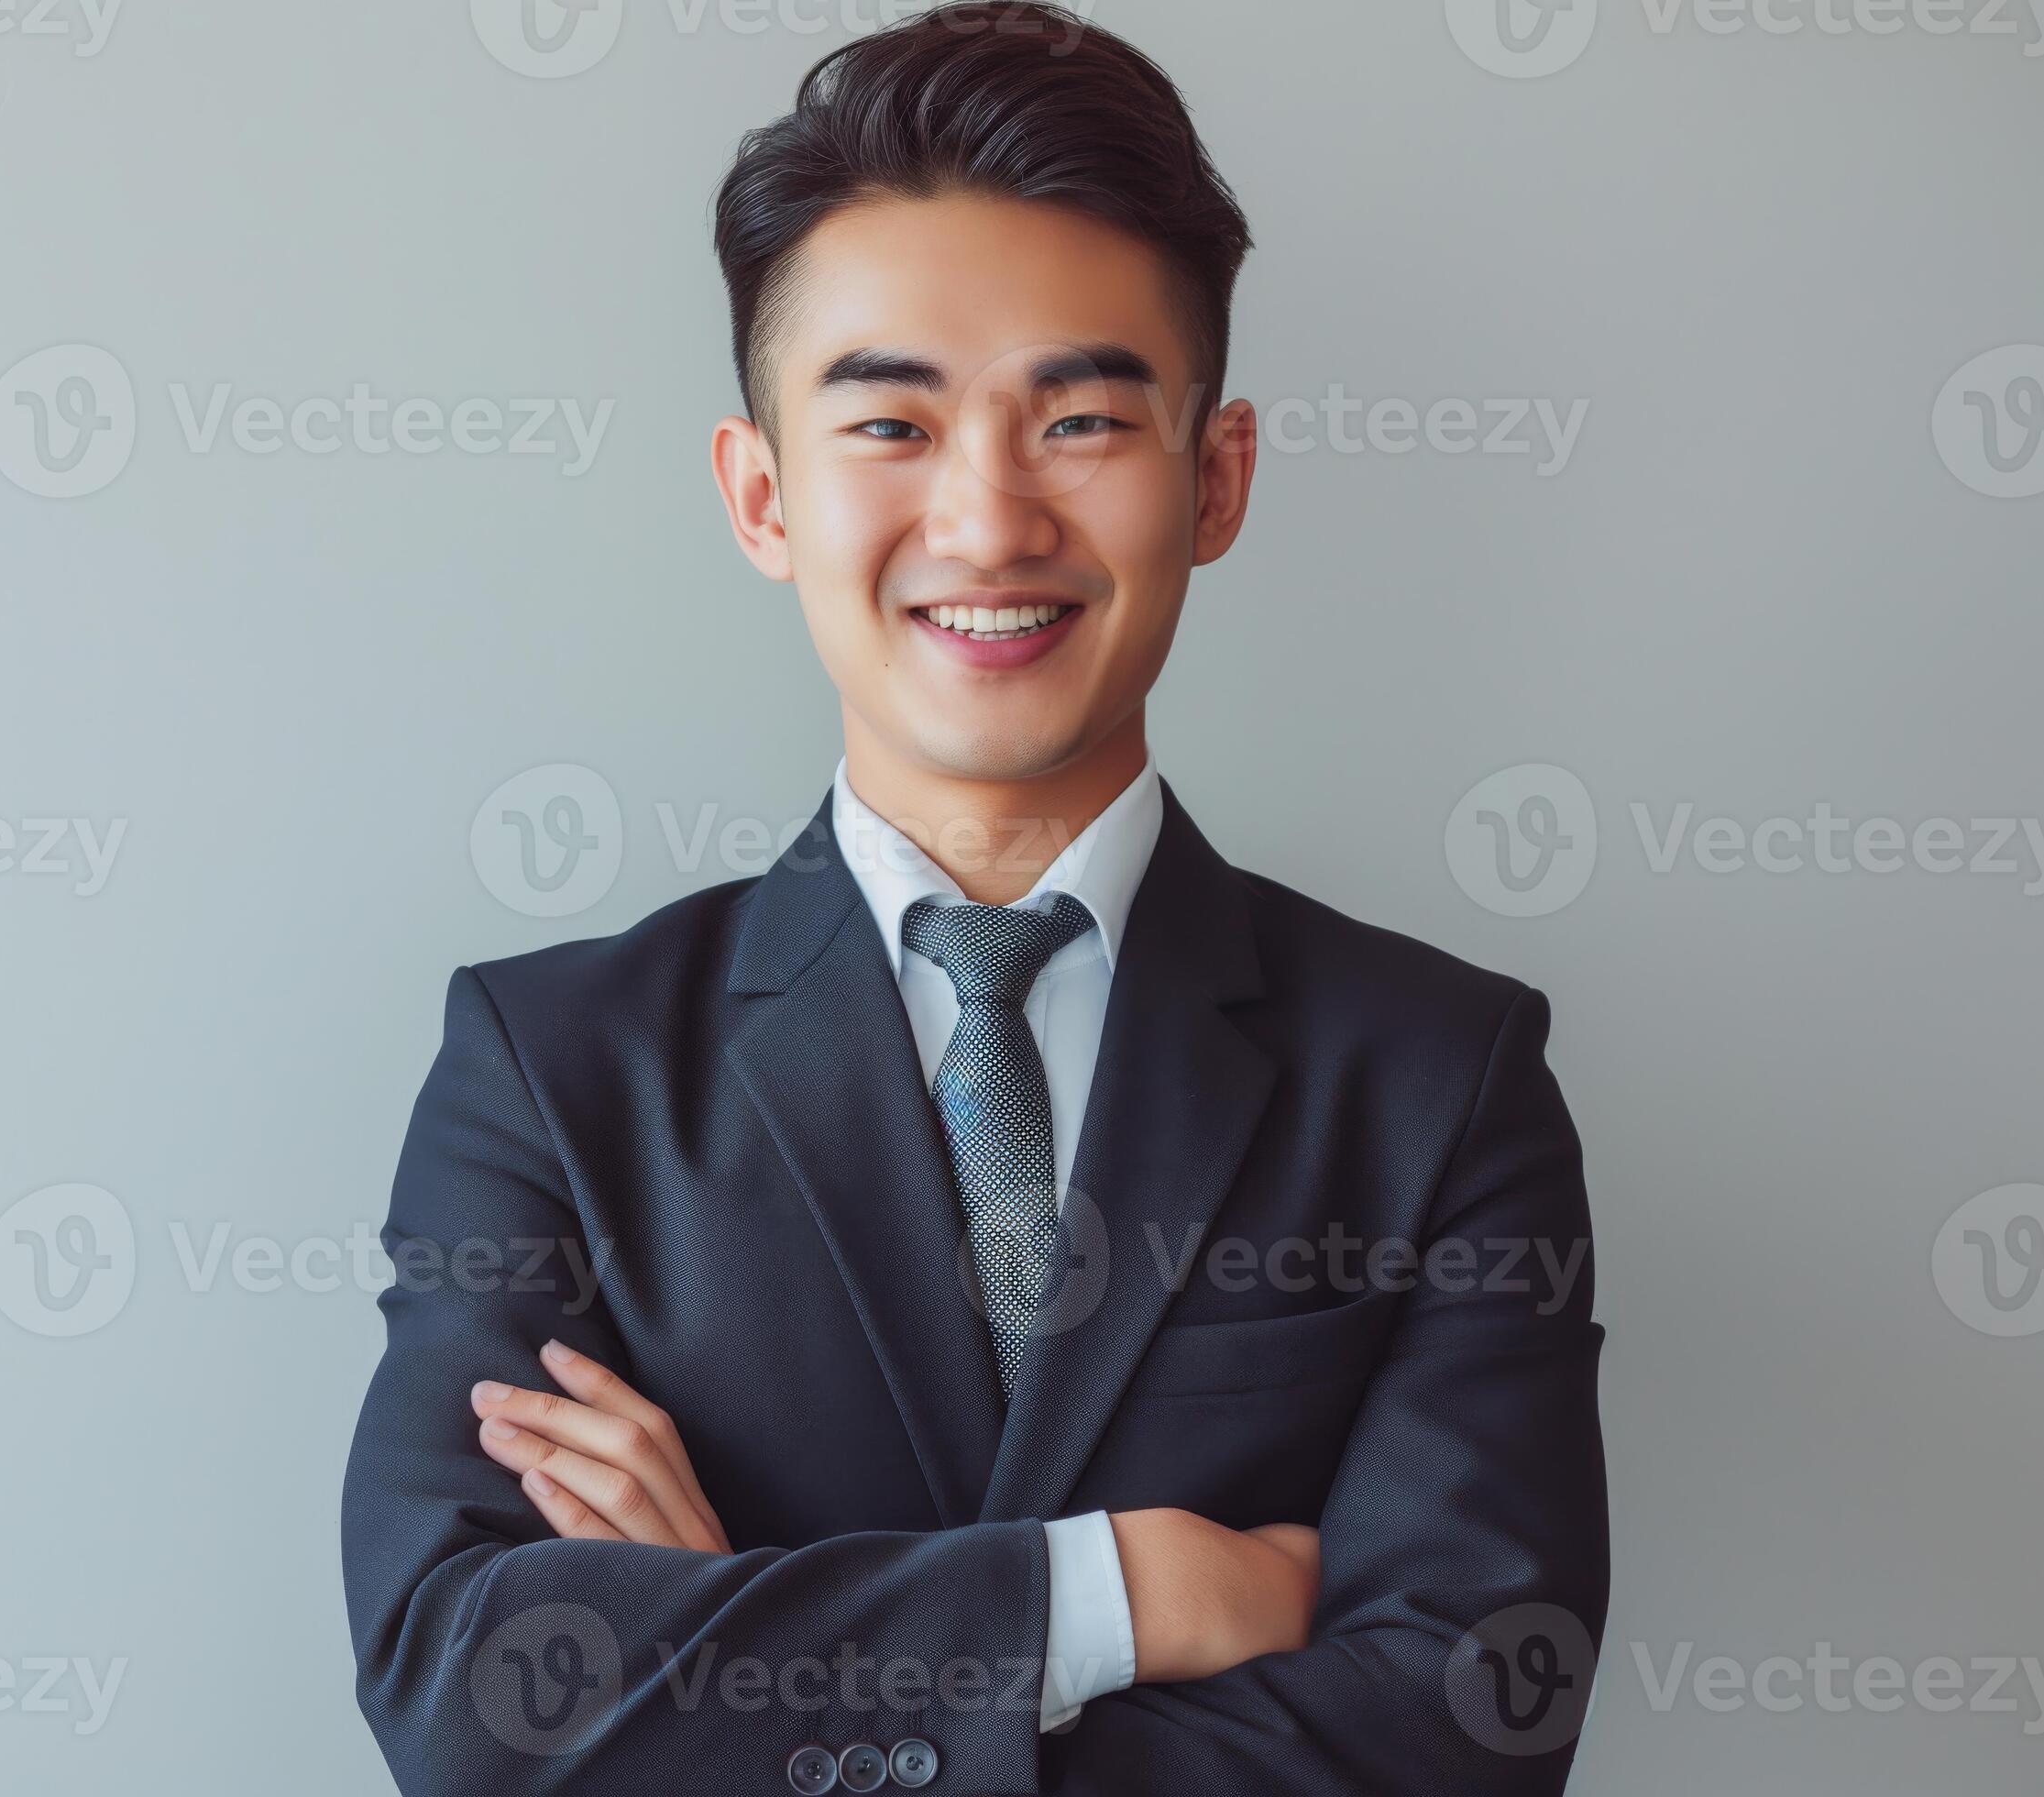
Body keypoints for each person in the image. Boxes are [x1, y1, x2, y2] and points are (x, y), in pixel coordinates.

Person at [338, 6, 1610, 1791]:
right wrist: (1117, 1591)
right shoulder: (553, 1069)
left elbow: (1472, 1724)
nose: (991, 517)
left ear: (1215, 474)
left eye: (1080, 416)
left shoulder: (1439, 1074)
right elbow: (478, 1695)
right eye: (893, 423)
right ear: (764, 493)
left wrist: (740, 1647)